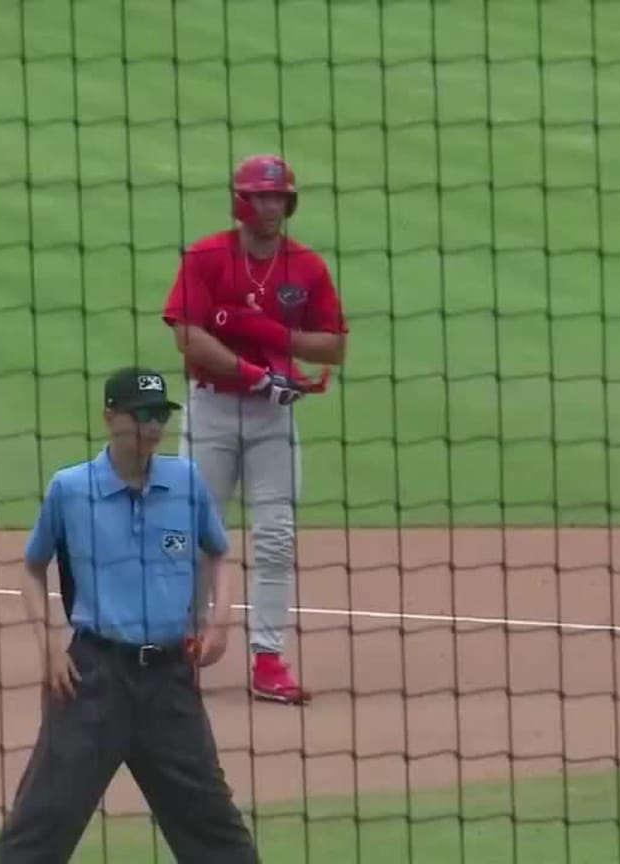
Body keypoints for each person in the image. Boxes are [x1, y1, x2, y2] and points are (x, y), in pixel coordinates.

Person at [0, 367, 259, 864]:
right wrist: (48, 644)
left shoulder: (185, 480)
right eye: (141, 415)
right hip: (93, 679)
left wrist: (219, 621)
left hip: (170, 682)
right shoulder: (71, 489)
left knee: (214, 828)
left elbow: (218, 552)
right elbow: (31, 568)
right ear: (110, 416)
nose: (152, 427)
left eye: (159, 416)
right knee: (42, 821)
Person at [160, 153, 349, 705]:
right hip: (212, 409)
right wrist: (253, 374)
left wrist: (268, 335)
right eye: (261, 197)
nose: (270, 206)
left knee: (275, 536)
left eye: (278, 197)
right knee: (194, 530)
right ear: (241, 201)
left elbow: (334, 344)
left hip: (274, 417)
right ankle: (184, 647)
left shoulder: (305, 267)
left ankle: (268, 659)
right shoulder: (207, 256)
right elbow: (188, 336)